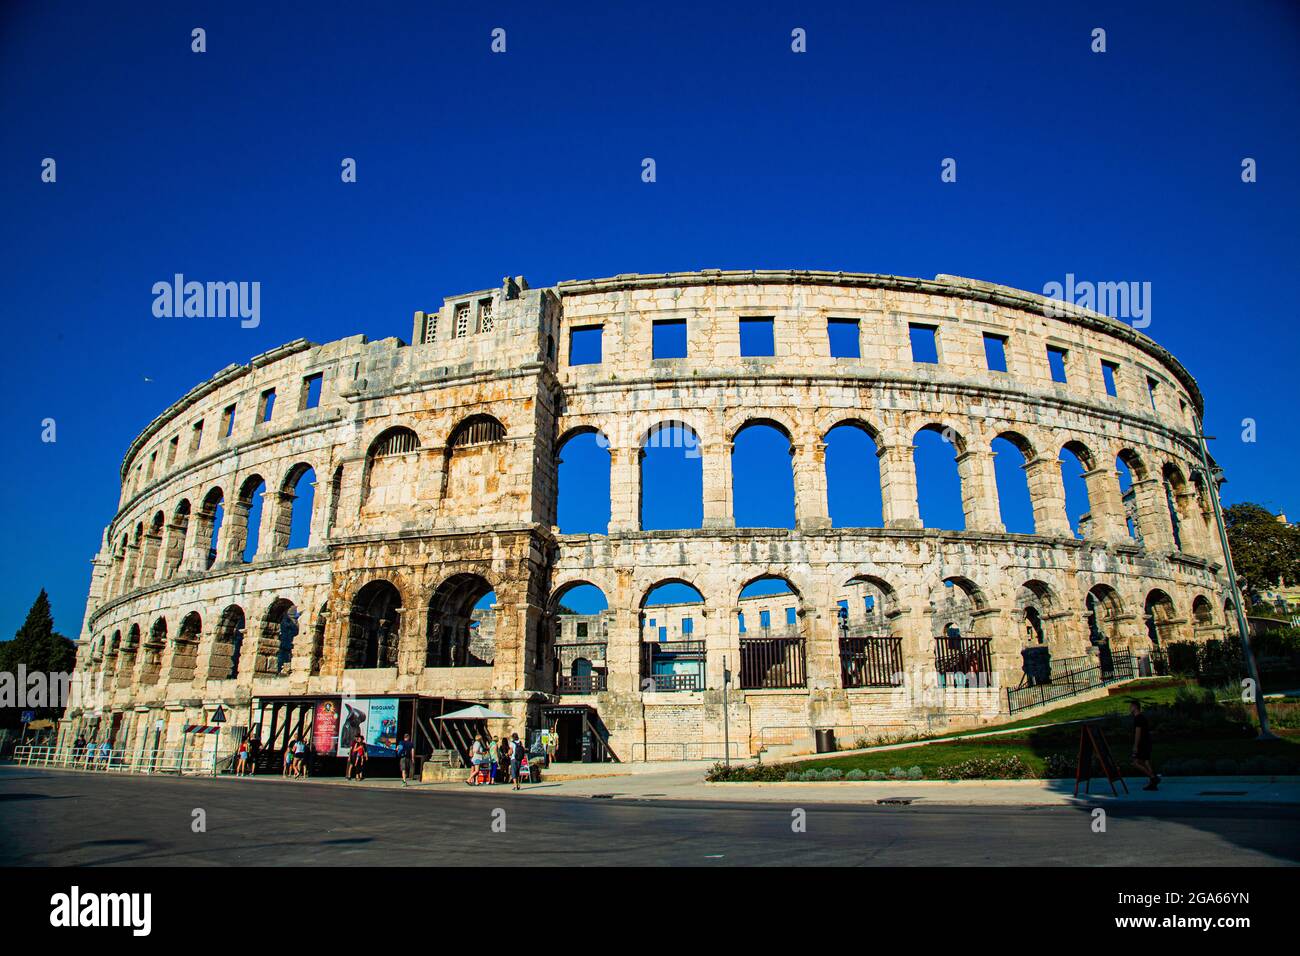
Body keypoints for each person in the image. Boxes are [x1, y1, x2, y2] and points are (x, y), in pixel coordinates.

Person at [1129, 700, 1159, 790]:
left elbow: (1138, 733)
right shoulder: (1142, 717)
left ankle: (1153, 778)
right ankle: (1153, 784)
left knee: (1135, 763)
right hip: (1147, 743)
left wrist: (1135, 746)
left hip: (1142, 744)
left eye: (1131, 706)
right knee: (1146, 762)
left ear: (1135, 707)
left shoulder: (1138, 718)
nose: (1129, 708)